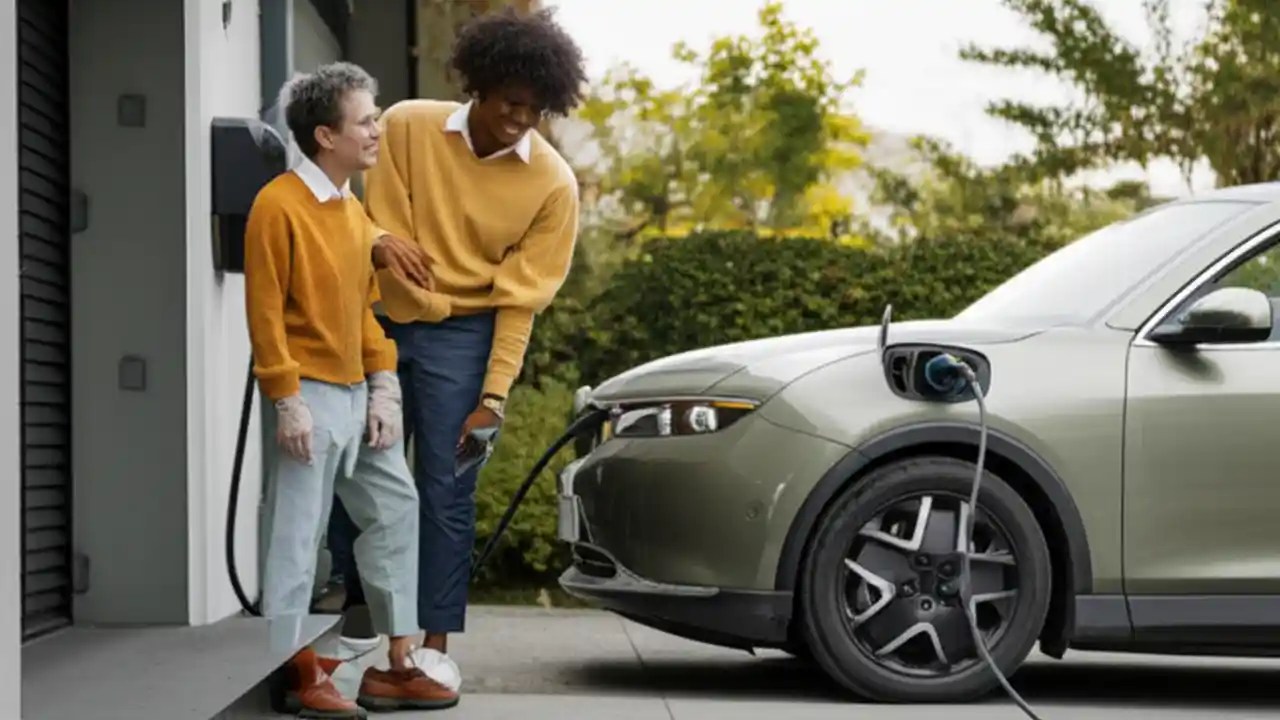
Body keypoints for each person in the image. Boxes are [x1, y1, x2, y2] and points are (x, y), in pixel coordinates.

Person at [325, 6, 588, 698]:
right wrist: (378, 240)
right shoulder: (408, 125)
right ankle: (354, 636)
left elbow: (518, 302)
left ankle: (433, 651)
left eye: (536, 111)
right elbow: (352, 208)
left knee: (447, 492)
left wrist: (493, 398)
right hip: (376, 318)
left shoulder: (552, 186)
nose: (520, 121)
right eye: (511, 103)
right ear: (481, 84)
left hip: (467, 336)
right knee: (359, 476)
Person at [245, 61, 459, 715]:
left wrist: (385, 386)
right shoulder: (276, 207)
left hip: (357, 397)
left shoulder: (351, 209)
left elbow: (364, 312)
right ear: (323, 136)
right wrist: (286, 401)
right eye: (365, 120)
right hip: (306, 396)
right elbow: (264, 314)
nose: (376, 130)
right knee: (296, 540)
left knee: (395, 512)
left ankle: (398, 663)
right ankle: (296, 673)